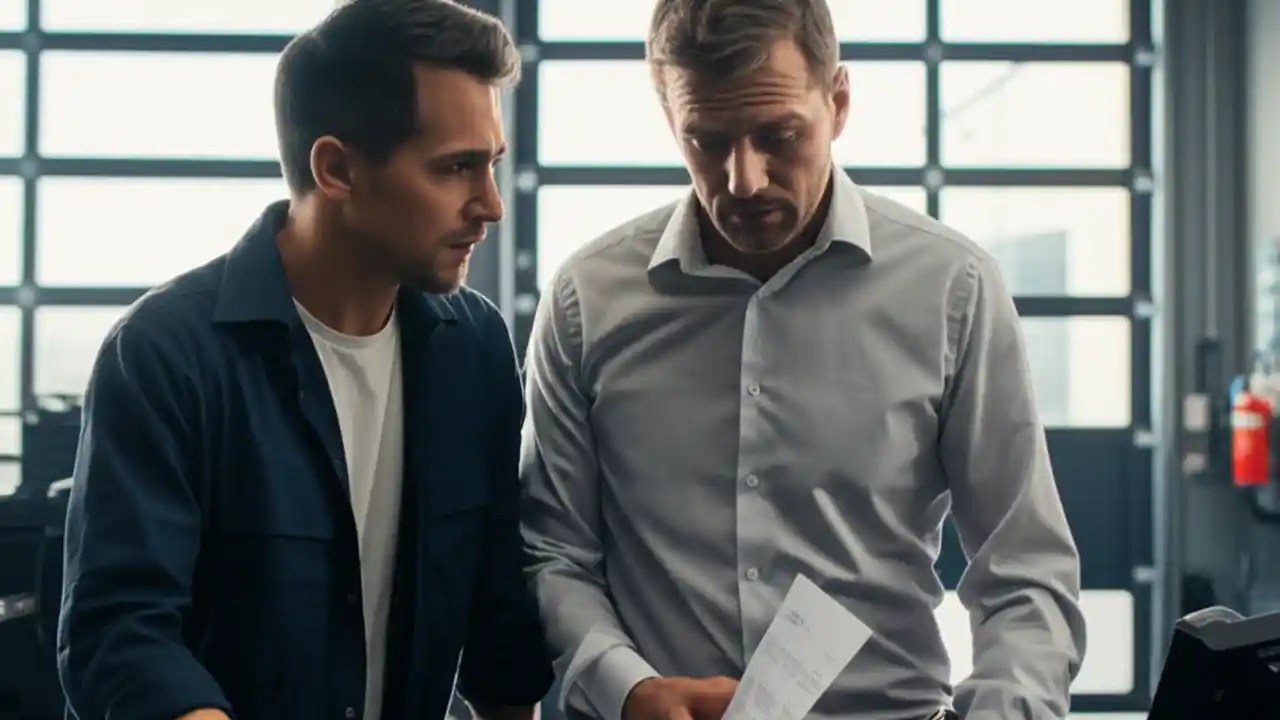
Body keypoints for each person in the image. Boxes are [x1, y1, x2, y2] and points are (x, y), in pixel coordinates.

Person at [519, 1, 1087, 719]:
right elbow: (554, 553)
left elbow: (1025, 569)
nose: (744, 180)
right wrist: (627, 687)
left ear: (839, 101)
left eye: (777, 135)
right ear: (671, 120)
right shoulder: (586, 300)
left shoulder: (953, 289)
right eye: (708, 141)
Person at [57, 1, 553, 718]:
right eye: (455, 169)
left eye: (492, 166)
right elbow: (120, 630)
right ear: (338, 169)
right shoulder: (165, 354)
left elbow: (497, 626)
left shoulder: (473, 348)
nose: (491, 205)